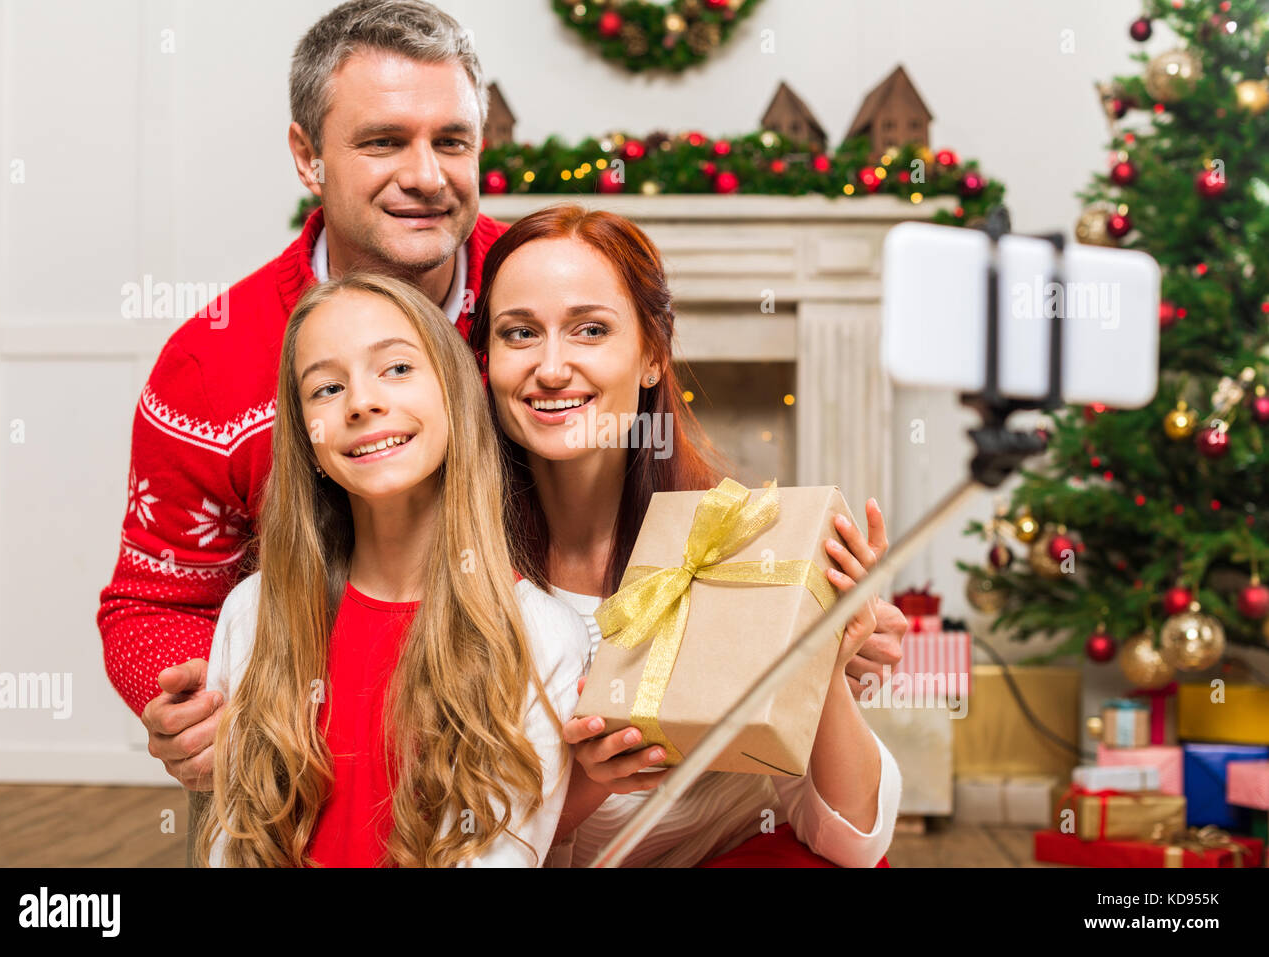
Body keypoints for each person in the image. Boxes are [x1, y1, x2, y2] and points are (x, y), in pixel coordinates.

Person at [97, 0, 508, 790]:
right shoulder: (210, 364)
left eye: (451, 141)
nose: (426, 176)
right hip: (301, 766)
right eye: (384, 142)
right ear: (307, 155)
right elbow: (152, 600)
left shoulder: (541, 309)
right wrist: (193, 706)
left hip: (520, 746)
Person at [469, 203, 908, 867]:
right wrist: (582, 786)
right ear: (488, 360)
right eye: (519, 333)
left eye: (590, 329)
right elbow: (452, 836)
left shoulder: (733, 545)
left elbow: (852, 840)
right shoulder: (461, 572)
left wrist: (826, 664)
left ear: (652, 354)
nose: (552, 367)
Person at [199, 272, 590, 866]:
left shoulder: (538, 636)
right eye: (326, 389)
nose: (361, 402)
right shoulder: (253, 613)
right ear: (308, 439)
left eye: (398, 369)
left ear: (454, 397)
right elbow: (233, 847)